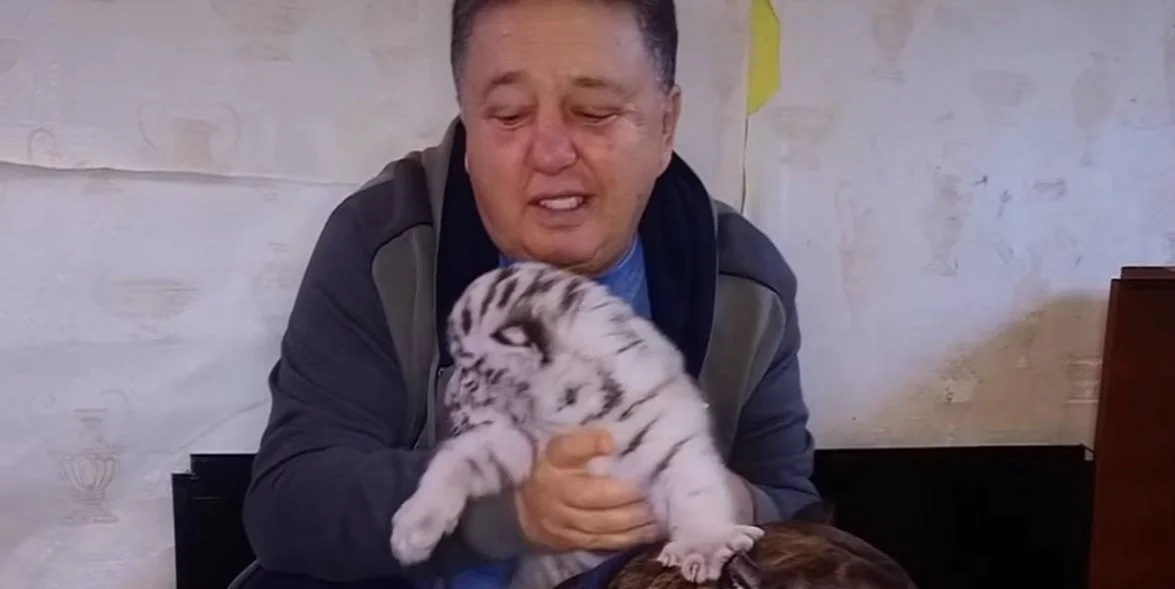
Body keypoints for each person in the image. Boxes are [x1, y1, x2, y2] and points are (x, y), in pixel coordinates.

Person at [240, 0, 821, 588]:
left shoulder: (745, 284)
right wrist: (509, 510)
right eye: (510, 115)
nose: (550, 153)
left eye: (594, 112)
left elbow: (798, 513)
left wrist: (720, 501)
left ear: (666, 125)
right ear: (467, 127)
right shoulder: (387, 245)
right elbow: (291, 504)